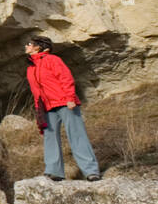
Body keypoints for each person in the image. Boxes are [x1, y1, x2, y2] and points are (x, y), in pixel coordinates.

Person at [24, 35, 101, 181]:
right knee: (50, 138)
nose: (26, 46)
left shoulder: (53, 60)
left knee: (77, 135)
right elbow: (36, 91)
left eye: (29, 44)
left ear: (38, 47)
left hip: (65, 103)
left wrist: (70, 98)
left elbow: (66, 79)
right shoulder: (30, 68)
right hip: (46, 107)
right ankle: (54, 172)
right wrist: (38, 109)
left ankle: (91, 171)